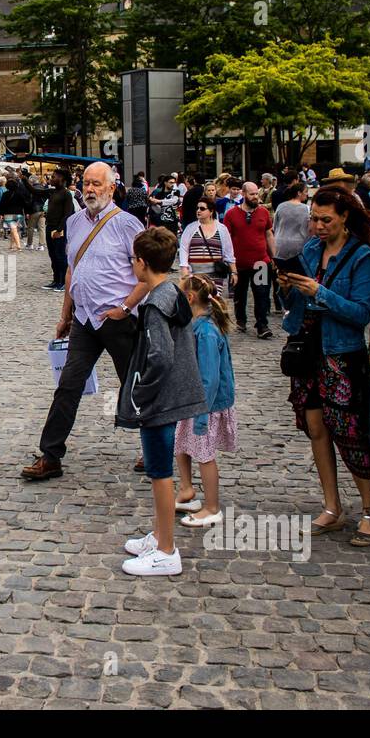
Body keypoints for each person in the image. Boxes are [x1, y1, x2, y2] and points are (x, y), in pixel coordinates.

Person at [22, 162, 146, 481]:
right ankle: (51, 455)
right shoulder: (75, 222)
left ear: (111, 187)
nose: (89, 189)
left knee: (135, 387)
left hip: (120, 320)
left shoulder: (129, 225)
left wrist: (125, 307)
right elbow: (71, 271)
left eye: (96, 184)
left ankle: (155, 448)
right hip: (85, 320)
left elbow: (148, 276)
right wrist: (65, 315)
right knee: (68, 385)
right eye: (86, 183)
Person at [279, 187, 370, 546]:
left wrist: (317, 293)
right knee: (316, 427)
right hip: (309, 349)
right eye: (315, 219)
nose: (318, 226)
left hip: (341, 353)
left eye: (326, 220)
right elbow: (294, 302)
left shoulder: (363, 257)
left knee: (349, 431)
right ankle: (332, 505)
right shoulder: (309, 250)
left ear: (345, 217)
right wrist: (289, 288)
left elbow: (360, 313)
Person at [116, 227, 207, 577]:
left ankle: (167, 550)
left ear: (141, 263)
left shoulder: (154, 303)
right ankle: (159, 535)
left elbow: (161, 357)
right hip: (176, 393)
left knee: (159, 473)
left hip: (161, 399)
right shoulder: (171, 291)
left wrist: (141, 393)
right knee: (160, 472)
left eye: (132, 260)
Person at [170, 273, 238, 528]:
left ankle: (212, 507)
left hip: (205, 405)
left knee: (204, 453)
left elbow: (209, 378)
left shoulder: (207, 332)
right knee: (181, 443)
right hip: (190, 399)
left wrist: (201, 413)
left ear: (188, 298)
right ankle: (187, 490)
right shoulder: (195, 324)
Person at [223, 181, 275, 338]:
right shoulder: (231, 214)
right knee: (240, 294)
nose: (255, 197)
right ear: (243, 194)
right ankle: (241, 319)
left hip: (260, 262)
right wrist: (228, 261)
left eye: (256, 194)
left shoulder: (263, 213)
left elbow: (269, 234)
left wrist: (274, 256)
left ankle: (262, 325)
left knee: (262, 293)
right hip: (239, 263)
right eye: (252, 194)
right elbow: (227, 237)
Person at [178, 197, 236, 297]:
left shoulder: (222, 229)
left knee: (213, 303)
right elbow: (184, 249)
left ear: (211, 211)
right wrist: (184, 270)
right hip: (195, 276)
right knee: (197, 304)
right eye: (197, 208)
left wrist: (234, 272)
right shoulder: (190, 228)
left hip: (215, 275)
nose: (198, 211)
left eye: (202, 208)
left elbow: (228, 252)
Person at [42, 169, 73, 292]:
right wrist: (22, 179)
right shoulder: (52, 192)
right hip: (49, 226)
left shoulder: (66, 194)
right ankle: (56, 280)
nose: (51, 179)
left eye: (54, 177)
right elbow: (35, 191)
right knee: (52, 255)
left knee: (60, 256)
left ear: (62, 179)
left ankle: (63, 282)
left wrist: (59, 229)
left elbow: (67, 214)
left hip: (59, 228)